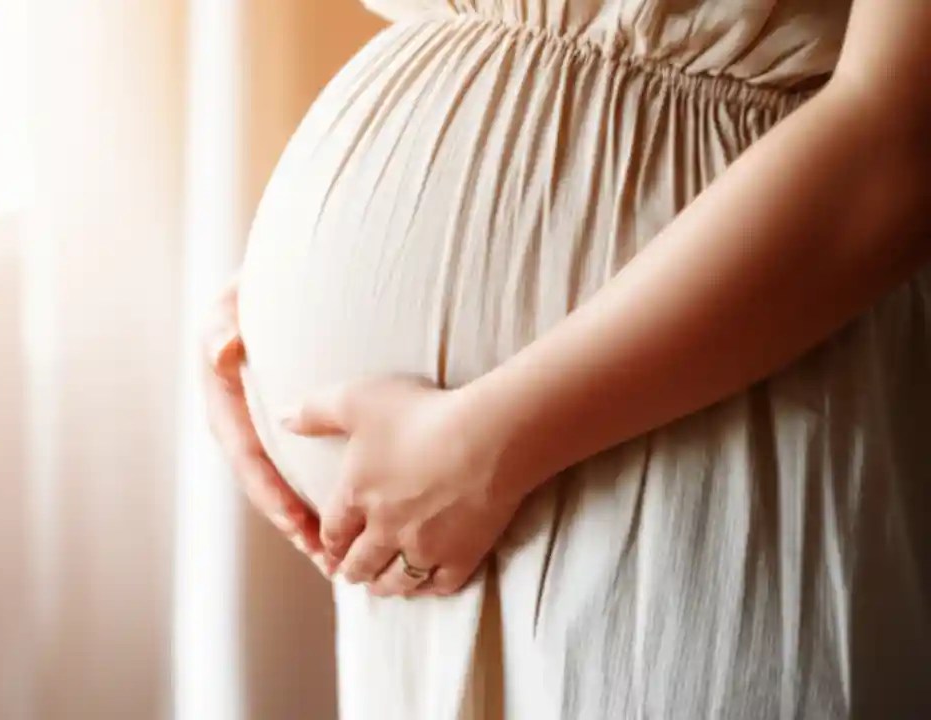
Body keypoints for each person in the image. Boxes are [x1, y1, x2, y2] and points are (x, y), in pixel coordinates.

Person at [202, 1, 931, 717]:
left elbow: (900, 149)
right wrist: (275, 291)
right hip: (424, 505)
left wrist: (484, 446)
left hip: (695, 412)